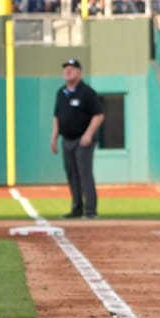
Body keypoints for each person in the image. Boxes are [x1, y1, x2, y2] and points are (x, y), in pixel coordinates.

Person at [51, 58, 105, 219]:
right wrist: (53, 137)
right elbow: (57, 117)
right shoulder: (61, 92)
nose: (68, 71)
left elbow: (99, 115)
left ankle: (90, 210)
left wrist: (88, 134)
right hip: (66, 139)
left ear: (79, 72)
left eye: (72, 69)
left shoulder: (87, 92)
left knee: (84, 174)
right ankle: (76, 208)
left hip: (82, 140)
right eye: (66, 68)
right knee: (71, 174)